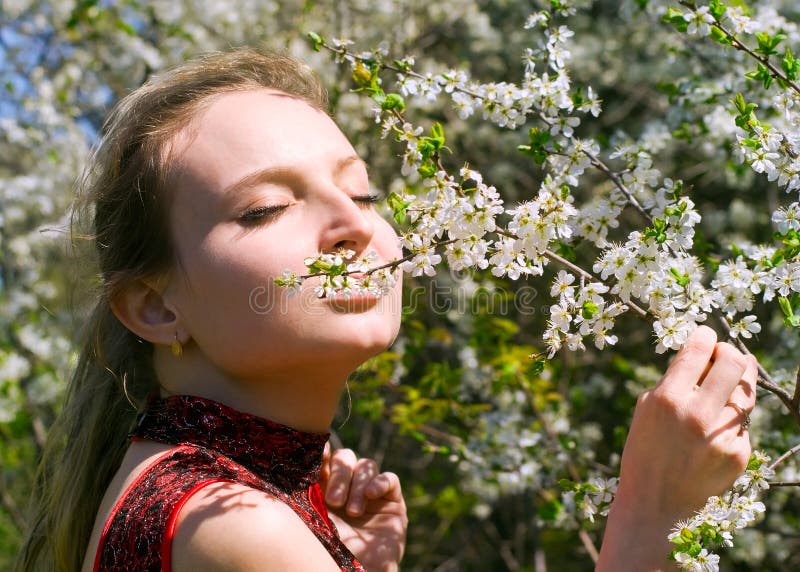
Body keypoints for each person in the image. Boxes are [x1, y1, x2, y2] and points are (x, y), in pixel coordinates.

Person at [15, 47, 757, 572]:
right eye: (266, 208)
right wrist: (650, 513)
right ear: (154, 307)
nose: (355, 225)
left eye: (362, 192)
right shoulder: (236, 529)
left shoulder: (197, 492)